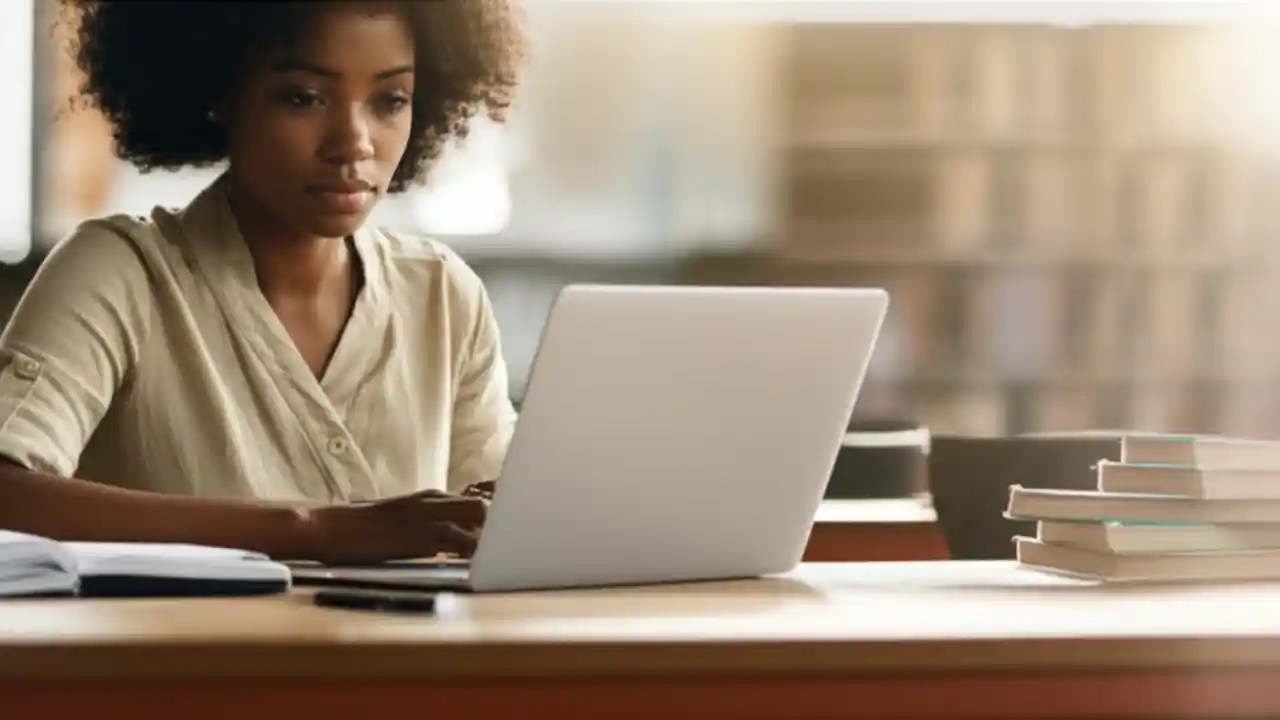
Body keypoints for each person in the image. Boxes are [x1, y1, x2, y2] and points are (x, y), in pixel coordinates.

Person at [0, 1, 525, 563]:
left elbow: (514, 516)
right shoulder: (120, 272)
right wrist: (310, 530)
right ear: (220, 94)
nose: (354, 142)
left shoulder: (443, 293)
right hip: (184, 652)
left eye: (389, 100)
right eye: (303, 97)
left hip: (414, 654)